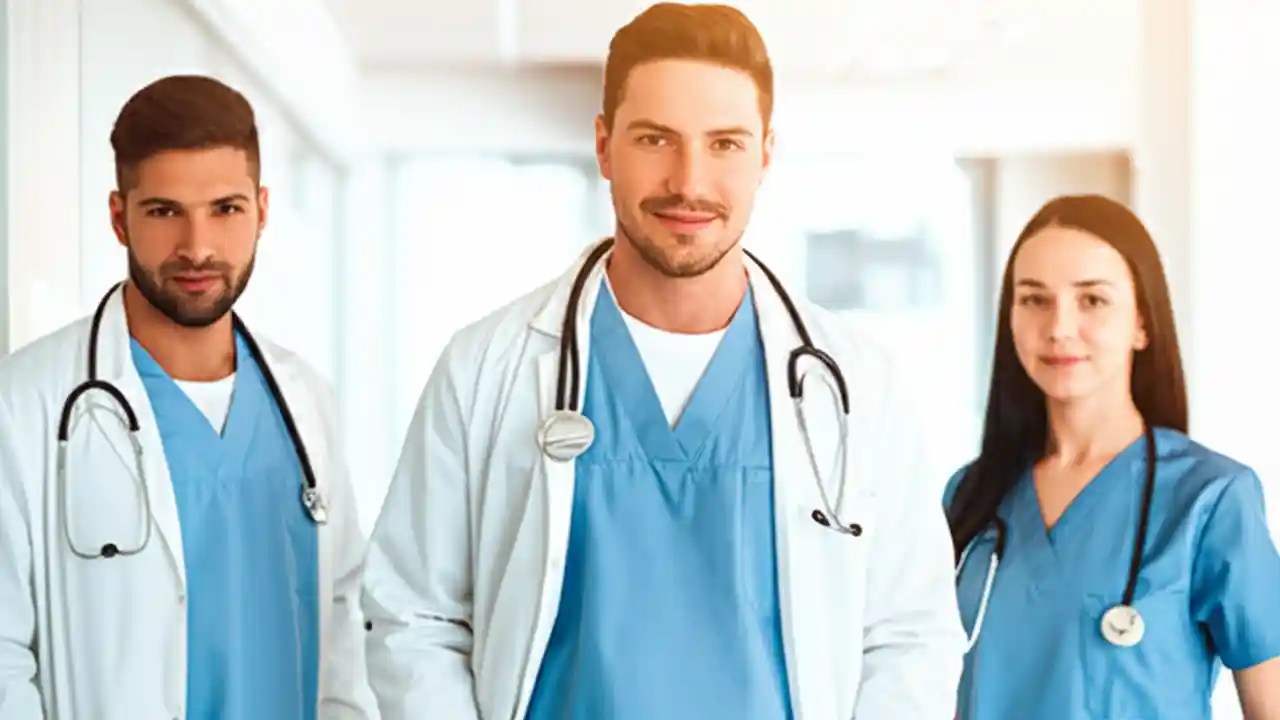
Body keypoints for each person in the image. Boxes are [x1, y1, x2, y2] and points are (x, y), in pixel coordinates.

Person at [361, 4, 965, 719]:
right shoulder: (485, 368)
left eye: (725, 144)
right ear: (604, 145)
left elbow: (910, 637)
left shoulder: (859, 385)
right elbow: (414, 620)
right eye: (655, 139)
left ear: (766, 153)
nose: (690, 181)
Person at [0, 75, 375, 719]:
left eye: (225, 209)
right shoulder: (26, 403)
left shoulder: (304, 401)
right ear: (119, 218)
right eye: (164, 211)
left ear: (262, 209)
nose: (197, 247)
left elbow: (345, 625)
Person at [945, 194, 1280, 719]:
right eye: (1034, 299)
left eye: (1092, 300)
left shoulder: (1209, 500)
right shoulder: (969, 498)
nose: (1058, 327)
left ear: (1142, 323)